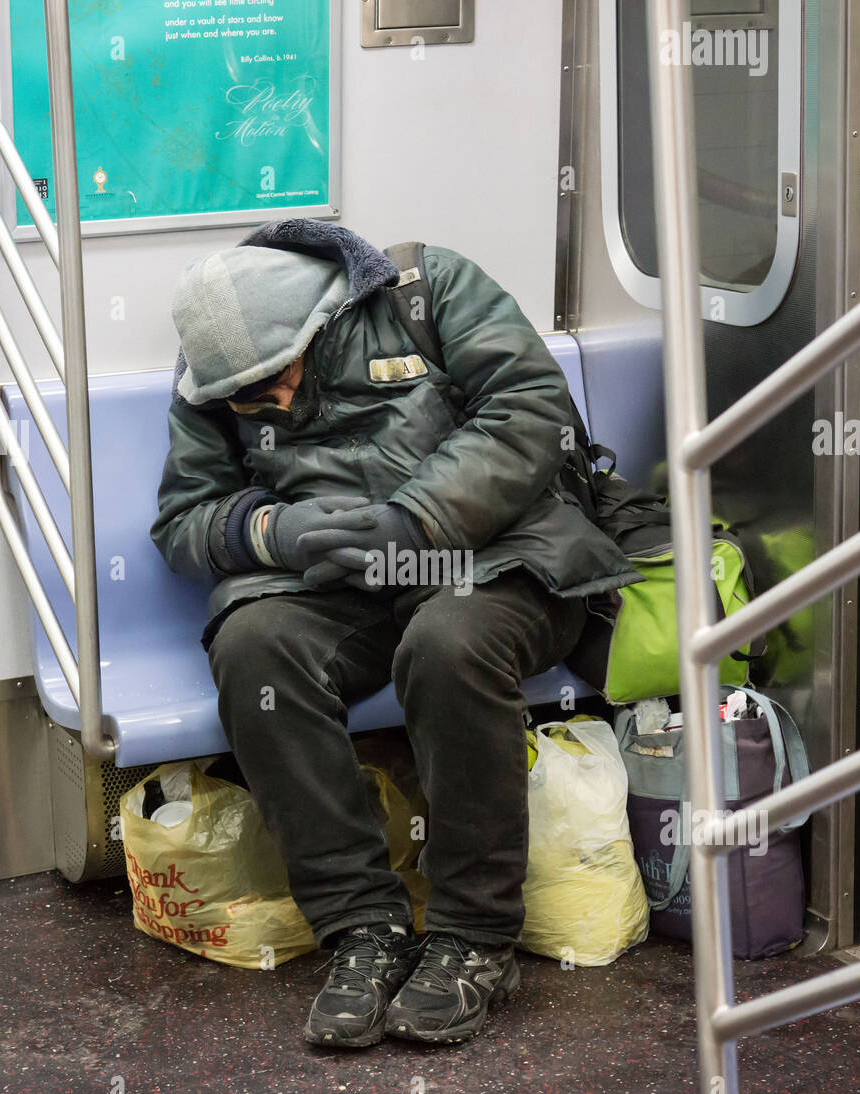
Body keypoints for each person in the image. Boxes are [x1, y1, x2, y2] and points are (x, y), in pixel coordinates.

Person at [152, 218, 633, 1047]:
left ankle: (475, 938)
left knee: (449, 642)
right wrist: (273, 531)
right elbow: (185, 518)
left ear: (317, 325)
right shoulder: (215, 376)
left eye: (270, 384)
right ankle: (361, 929)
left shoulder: (429, 289)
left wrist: (414, 522)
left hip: (498, 552)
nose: (261, 406)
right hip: (344, 580)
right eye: (237, 399)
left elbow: (531, 413)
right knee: (252, 645)